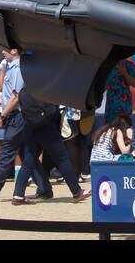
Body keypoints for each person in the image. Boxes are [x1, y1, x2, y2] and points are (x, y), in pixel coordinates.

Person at [0, 49, 52, 204]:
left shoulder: (18, 69)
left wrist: (2, 116)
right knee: (26, 153)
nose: (2, 52)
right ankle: (45, 189)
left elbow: (16, 97)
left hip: (17, 116)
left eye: (5, 49)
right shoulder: (13, 67)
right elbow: (8, 94)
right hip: (16, 116)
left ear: (14, 50)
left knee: (7, 151)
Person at [12, 76, 88, 205]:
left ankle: (18, 195)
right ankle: (77, 192)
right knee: (62, 158)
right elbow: (54, 108)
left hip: (30, 126)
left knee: (28, 161)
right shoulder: (46, 86)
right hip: (46, 127)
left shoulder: (25, 88)